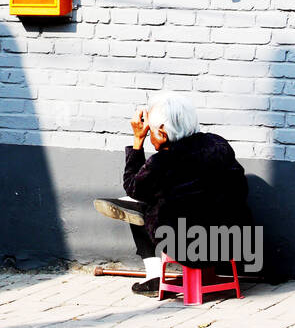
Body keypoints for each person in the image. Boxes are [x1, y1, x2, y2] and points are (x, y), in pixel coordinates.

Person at [93, 92, 253, 296]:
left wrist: (137, 141)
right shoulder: (218, 144)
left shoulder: (162, 163)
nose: (149, 136)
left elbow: (132, 185)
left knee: (141, 202)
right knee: (180, 200)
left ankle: (153, 277)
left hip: (189, 249)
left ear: (161, 131)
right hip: (231, 243)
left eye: (150, 131)